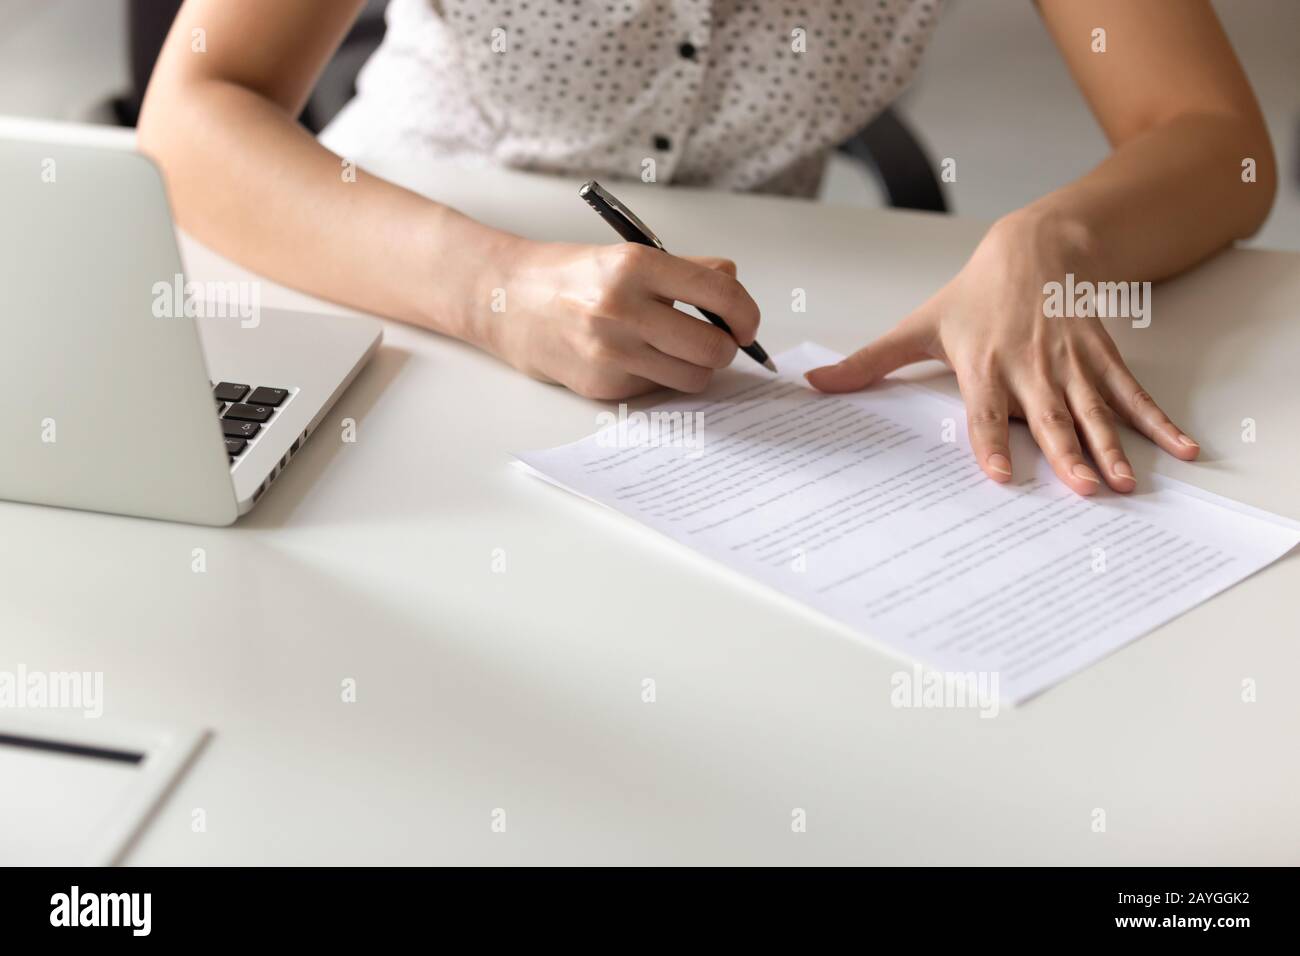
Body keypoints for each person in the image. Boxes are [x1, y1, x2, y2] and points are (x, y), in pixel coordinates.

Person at [138, 0, 1276, 495]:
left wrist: (1048, 240)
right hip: (369, 267)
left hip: (712, 363)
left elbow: (1217, 141)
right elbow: (191, 111)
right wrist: (496, 290)